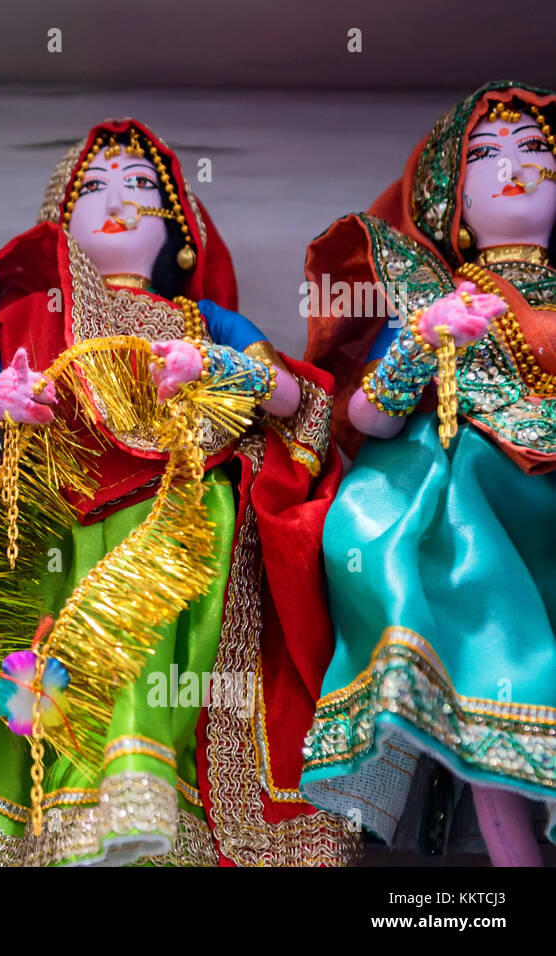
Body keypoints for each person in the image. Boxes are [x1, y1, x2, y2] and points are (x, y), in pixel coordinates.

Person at [0, 119, 357, 866]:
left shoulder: (204, 322)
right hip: (57, 515)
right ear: (60, 226)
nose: (117, 201)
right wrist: (13, 404)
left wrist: (221, 372)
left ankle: (137, 796)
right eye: (92, 188)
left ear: (182, 229)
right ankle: (48, 817)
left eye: (141, 188)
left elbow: (298, 403)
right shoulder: (30, 317)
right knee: (41, 660)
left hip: (175, 514)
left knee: (150, 657)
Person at [300, 81, 556, 866]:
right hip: (478, 531)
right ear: (452, 197)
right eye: (483, 156)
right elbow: (364, 421)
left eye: (535, 151)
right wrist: (419, 343)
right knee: (485, 674)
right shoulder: (432, 297)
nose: (510, 169)